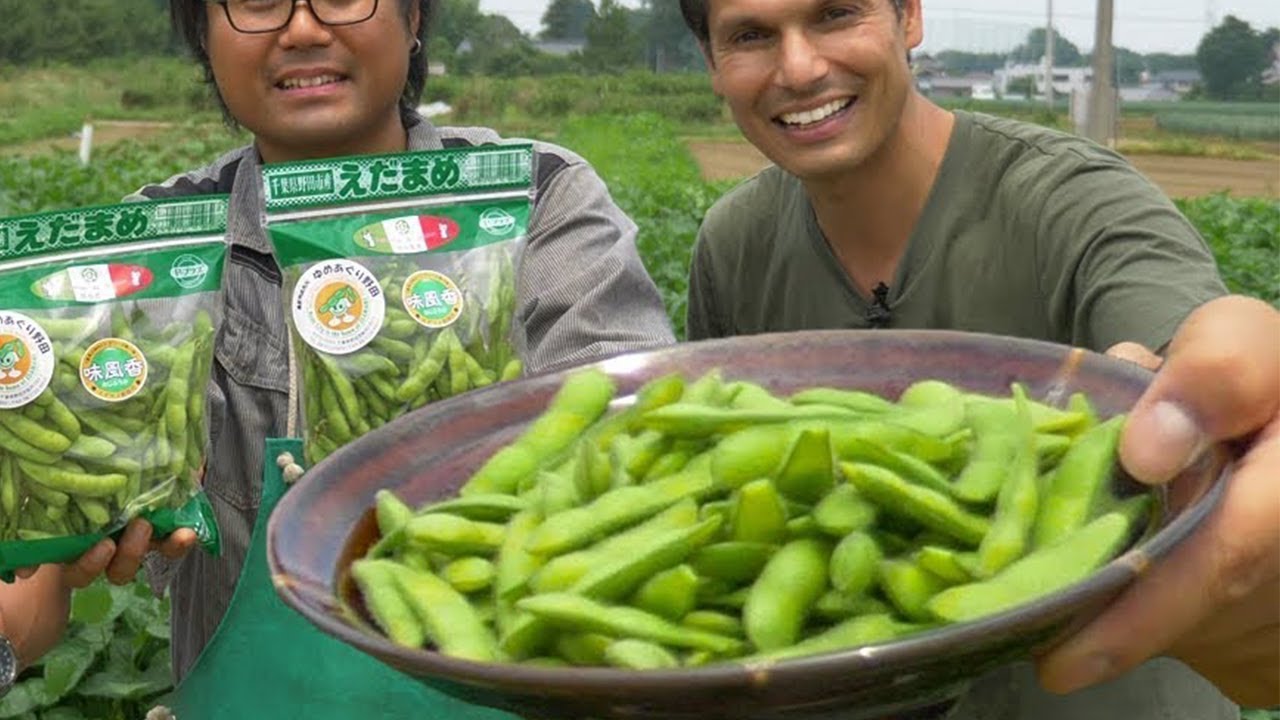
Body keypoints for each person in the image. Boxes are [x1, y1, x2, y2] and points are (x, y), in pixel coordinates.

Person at [1, 0, 673, 716]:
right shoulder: (158, 256)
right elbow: (28, 599)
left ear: (413, 19)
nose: (303, 28)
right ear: (203, 34)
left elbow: (635, 460)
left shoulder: (538, 197)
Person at [678, 0, 1278, 717]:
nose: (800, 68)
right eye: (750, 36)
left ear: (909, 18)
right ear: (715, 65)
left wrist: (1191, 388)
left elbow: (1180, 345)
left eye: (837, 13)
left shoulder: (1076, 201)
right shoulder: (734, 244)